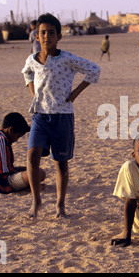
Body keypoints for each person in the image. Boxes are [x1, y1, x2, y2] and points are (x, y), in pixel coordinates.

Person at [22, 13, 101, 218]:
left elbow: (94, 69)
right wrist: (32, 91)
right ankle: (36, 201)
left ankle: (60, 205)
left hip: (62, 116)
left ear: (58, 37)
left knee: (61, 163)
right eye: (42, 33)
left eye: (51, 33)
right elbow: (26, 72)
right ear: (36, 36)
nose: (46, 36)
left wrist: (74, 93)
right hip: (40, 115)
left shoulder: (67, 59)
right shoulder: (32, 59)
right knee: (32, 157)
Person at [0, 113, 46, 194]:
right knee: (39, 173)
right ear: (11, 130)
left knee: (32, 170)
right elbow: (5, 172)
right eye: (17, 136)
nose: (16, 140)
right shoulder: (1, 141)